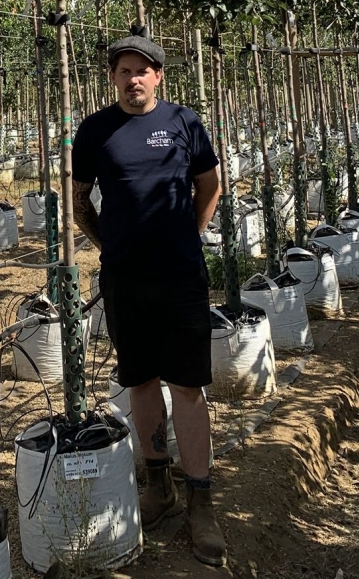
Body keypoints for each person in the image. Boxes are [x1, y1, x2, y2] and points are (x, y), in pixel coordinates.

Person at [72, 35, 226, 569]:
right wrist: (111, 247)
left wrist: (188, 236)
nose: (133, 79)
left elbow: (210, 186)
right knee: (139, 380)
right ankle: (159, 483)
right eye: (124, 71)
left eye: (142, 70)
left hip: (180, 276)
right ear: (113, 77)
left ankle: (201, 499)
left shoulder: (184, 122)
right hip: (125, 280)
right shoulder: (94, 130)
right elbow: (80, 204)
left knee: (187, 385)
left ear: (158, 76)